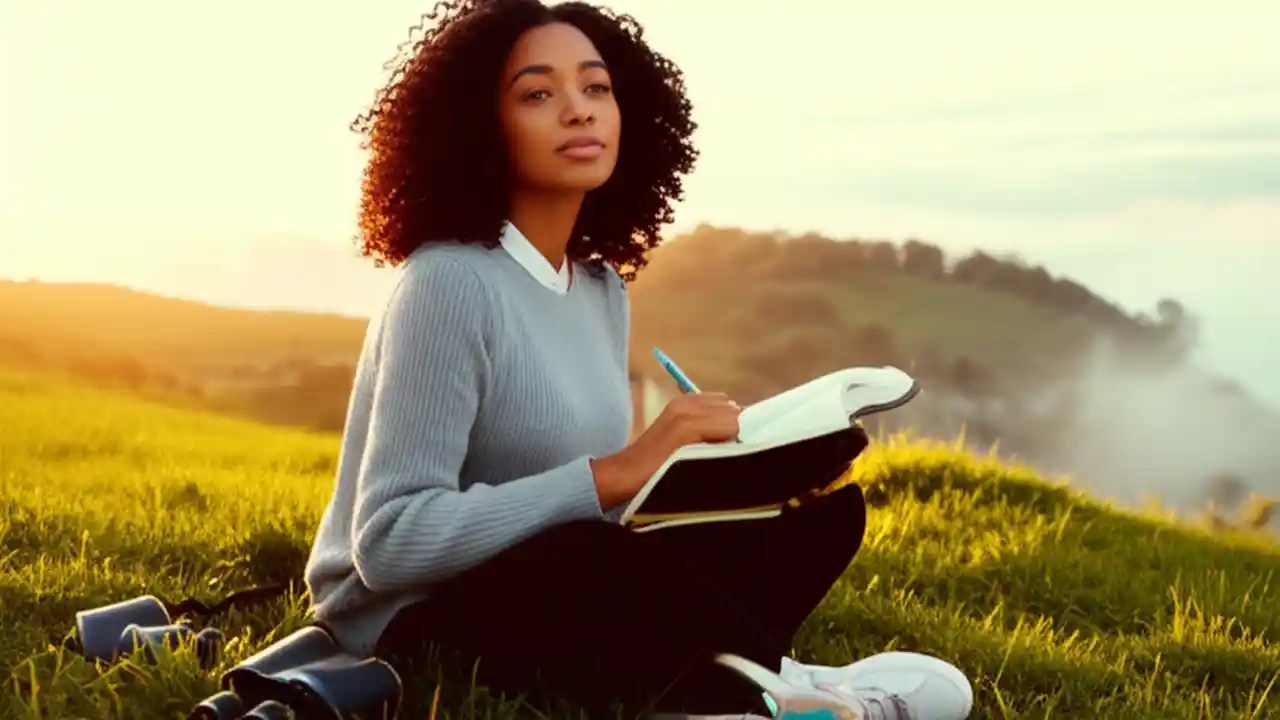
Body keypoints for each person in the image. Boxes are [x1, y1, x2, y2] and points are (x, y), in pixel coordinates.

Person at [302, 1, 974, 718]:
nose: (578, 111)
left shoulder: (599, 290)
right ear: (480, 125)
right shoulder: (446, 283)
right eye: (538, 94)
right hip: (409, 619)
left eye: (596, 88)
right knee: (597, 565)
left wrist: (725, 473)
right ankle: (770, 690)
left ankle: (746, 687)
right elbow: (391, 542)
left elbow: (585, 501)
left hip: (553, 573)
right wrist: (622, 468)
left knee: (821, 518)